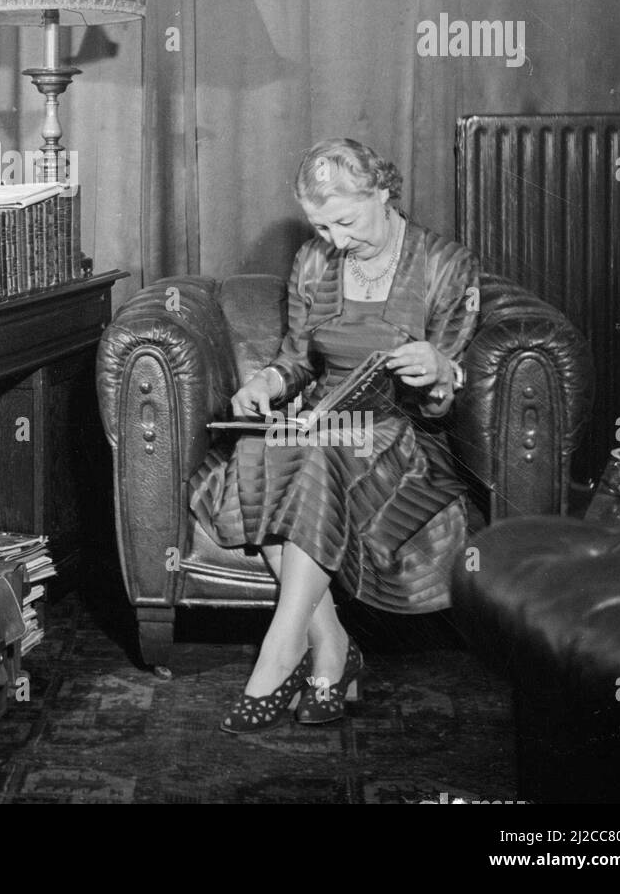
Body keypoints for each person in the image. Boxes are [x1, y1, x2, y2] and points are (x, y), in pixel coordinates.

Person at [190, 138, 479, 732]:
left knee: (308, 453)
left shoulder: (445, 264)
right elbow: (296, 359)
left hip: (400, 440)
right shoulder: (315, 261)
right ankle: (332, 649)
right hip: (326, 421)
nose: (338, 241)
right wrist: (266, 384)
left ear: (382, 191)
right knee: (261, 451)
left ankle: (279, 654)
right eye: (323, 227)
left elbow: (445, 401)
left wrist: (439, 372)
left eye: (346, 221)